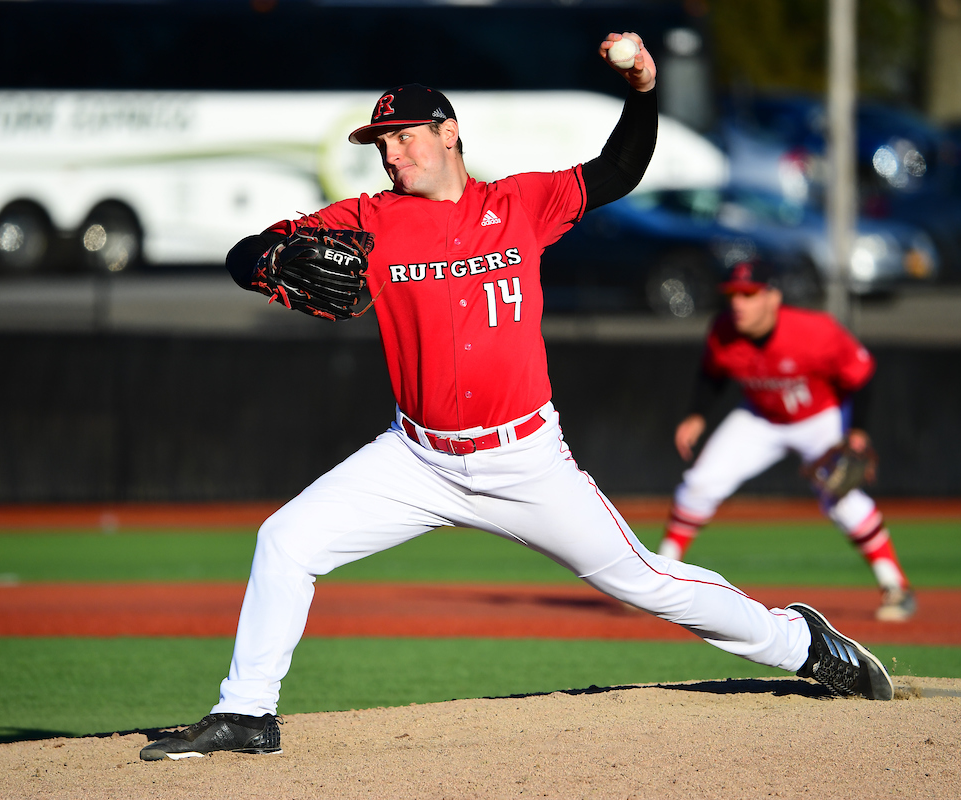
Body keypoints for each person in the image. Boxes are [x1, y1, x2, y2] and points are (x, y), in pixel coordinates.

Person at [139, 33, 894, 762]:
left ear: (449, 132)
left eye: (404, 136)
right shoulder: (370, 220)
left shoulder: (523, 203)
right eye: (382, 143)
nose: (392, 153)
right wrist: (263, 257)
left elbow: (621, 169)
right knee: (285, 542)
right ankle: (246, 714)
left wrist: (642, 90)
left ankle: (803, 642)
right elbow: (248, 253)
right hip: (417, 458)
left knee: (649, 583)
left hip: (525, 459)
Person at [656, 258, 916, 622]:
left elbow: (862, 374)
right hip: (761, 417)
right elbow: (712, 372)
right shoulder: (724, 330)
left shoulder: (816, 331)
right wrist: (697, 414)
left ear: (773, 297)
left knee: (841, 498)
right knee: (700, 482)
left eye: (749, 294)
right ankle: (659, 575)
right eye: (734, 294)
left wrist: (857, 429)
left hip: (819, 418)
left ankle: (896, 586)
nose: (738, 304)